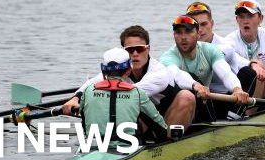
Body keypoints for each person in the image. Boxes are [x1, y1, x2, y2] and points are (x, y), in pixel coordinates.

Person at [62, 25, 198, 131]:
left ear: (148, 49)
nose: (134, 54)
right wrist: (75, 99)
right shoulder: (120, 70)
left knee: (186, 96)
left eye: (139, 49)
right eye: (129, 50)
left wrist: (94, 97)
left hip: (167, 118)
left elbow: (133, 93)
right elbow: (93, 82)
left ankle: (168, 142)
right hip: (145, 118)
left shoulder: (159, 72)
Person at [159, 15, 251, 122]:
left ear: (198, 34)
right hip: (175, 106)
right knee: (193, 78)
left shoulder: (210, 50)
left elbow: (226, 74)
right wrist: (195, 85)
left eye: (188, 32)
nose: (183, 37)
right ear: (174, 35)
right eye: (179, 32)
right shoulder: (168, 57)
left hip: (202, 103)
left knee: (248, 73)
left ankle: (234, 115)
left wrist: (237, 89)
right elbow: (177, 75)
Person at [78, 47, 168, 146]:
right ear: (129, 70)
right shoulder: (137, 93)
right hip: (128, 149)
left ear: (103, 72)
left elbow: (82, 114)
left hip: (93, 147)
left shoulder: (88, 90)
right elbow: (160, 126)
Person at [183, 1, 260, 97]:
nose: (200, 30)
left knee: (249, 73)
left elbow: (236, 59)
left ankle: (237, 111)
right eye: (195, 26)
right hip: (202, 97)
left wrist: (252, 64)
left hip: (228, 96)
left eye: (204, 24)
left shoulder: (225, 45)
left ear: (212, 23)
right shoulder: (182, 48)